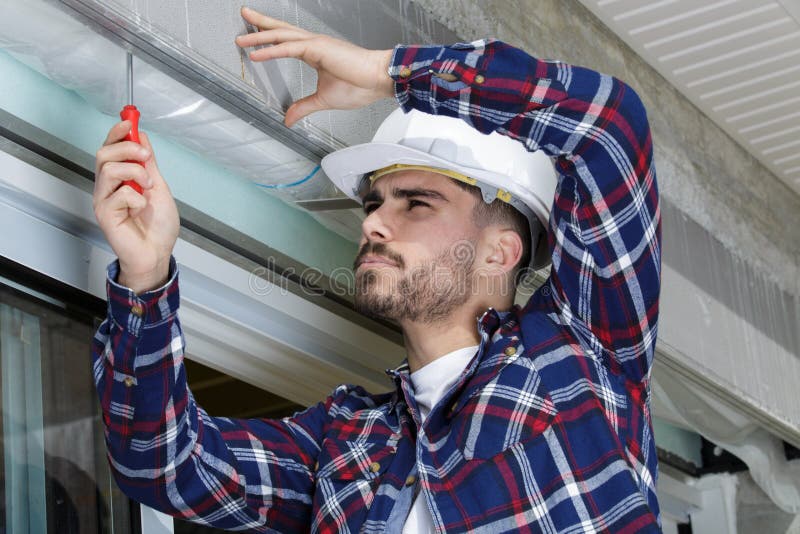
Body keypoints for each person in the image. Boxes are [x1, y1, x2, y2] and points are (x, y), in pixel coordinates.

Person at [91, 6, 661, 533]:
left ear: (500, 252)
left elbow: (607, 123)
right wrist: (146, 276)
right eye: (372, 205)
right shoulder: (349, 442)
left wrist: (386, 72)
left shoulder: (581, 352)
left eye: (415, 203)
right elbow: (162, 463)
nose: (372, 226)